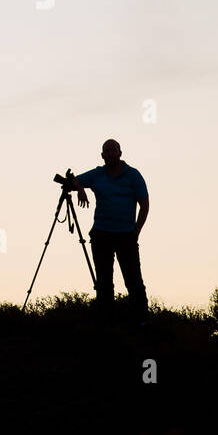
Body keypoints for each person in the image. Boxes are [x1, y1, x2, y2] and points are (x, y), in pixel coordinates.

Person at [68, 140, 149, 327]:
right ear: (102, 155)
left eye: (114, 150)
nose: (111, 154)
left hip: (126, 235)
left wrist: (137, 230)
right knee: (104, 281)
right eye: (107, 151)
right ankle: (106, 322)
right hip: (101, 235)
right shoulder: (97, 174)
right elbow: (72, 181)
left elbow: (144, 204)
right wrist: (80, 189)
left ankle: (142, 321)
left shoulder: (133, 175)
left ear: (120, 153)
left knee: (134, 280)